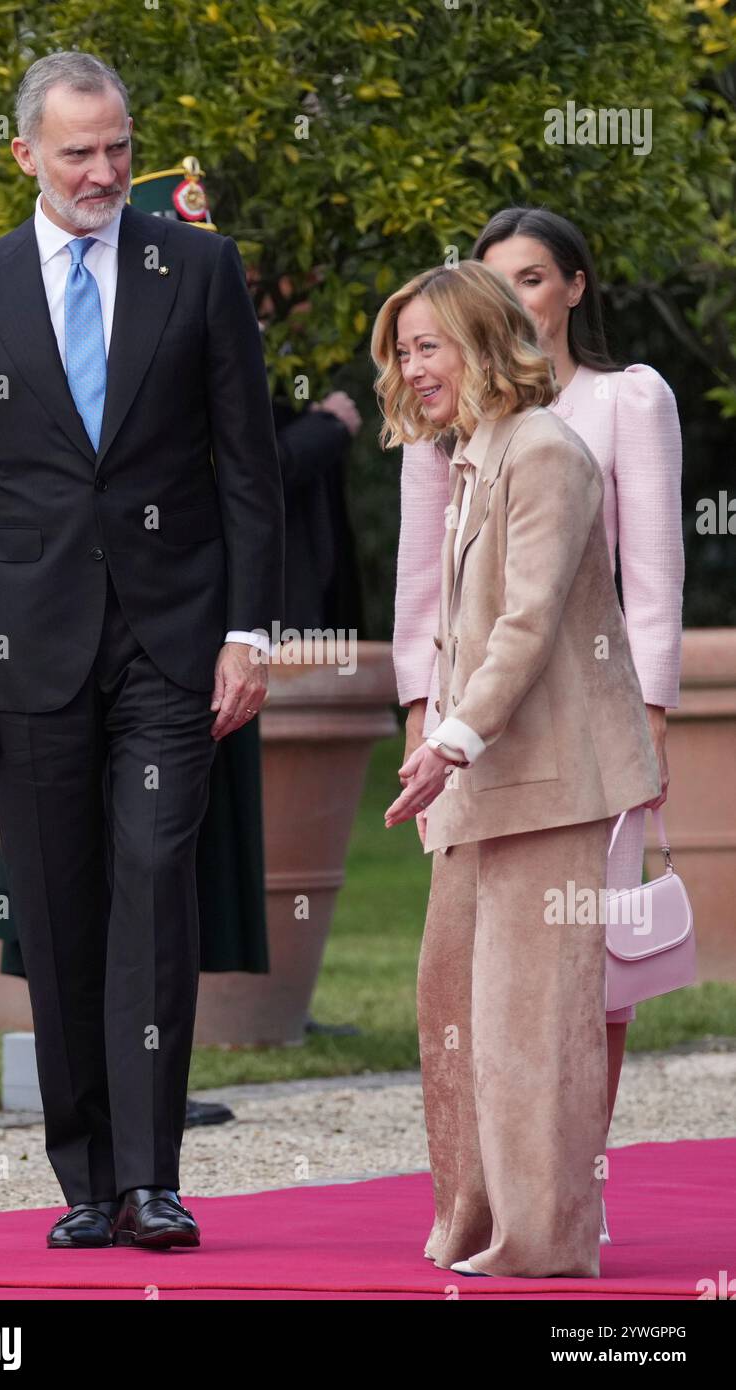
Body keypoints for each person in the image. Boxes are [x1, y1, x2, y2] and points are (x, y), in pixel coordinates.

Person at [0, 52, 284, 1250]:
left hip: (173, 649)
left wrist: (242, 631)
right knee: (62, 909)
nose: (104, 171)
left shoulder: (201, 268)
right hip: (28, 655)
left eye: (118, 146)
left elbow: (250, 468)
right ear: (24, 153)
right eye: (77, 151)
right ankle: (82, 1180)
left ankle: (151, 1173)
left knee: (154, 889)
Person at [376, 260, 660, 1277]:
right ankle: (477, 1222)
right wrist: (444, 740)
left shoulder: (542, 451)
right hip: (482, 781)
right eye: (402, 350)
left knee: (528, 1024)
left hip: (547, 784)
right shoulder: (472, 454)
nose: (410, 368)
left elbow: (527, 624)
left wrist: (449, 738)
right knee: (454, 1008)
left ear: (485, 343)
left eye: (427, 346)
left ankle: (539, 1245)